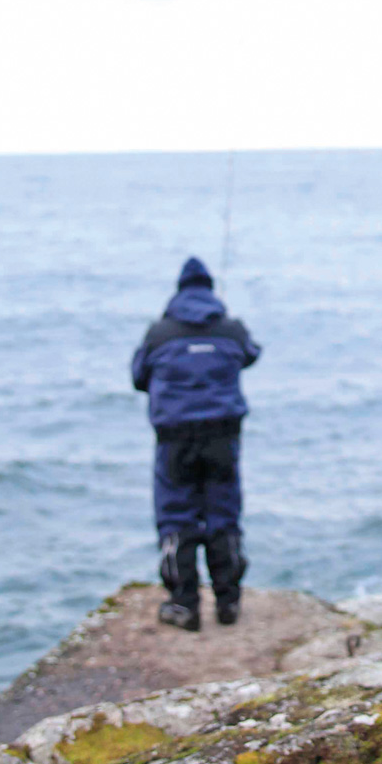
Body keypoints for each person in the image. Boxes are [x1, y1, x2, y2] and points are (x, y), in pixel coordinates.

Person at [131, 256, 261, 630]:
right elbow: (251, 354)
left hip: (174, 439)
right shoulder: (231, 329)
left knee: (176, 516)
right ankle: (228, 603)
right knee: (224, 515)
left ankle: (185, 605)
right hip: (223, 435)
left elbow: (138, 376)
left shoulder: (159, 333)